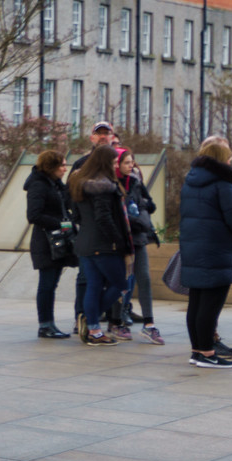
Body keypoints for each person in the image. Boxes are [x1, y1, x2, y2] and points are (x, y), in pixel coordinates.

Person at [178, 136, 232, 368]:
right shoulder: (223, 185)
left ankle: (197, 351)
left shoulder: (190, 182)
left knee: (197, 304)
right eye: (229, 156)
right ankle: (208, 353)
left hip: (194, 250)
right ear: (222, 160)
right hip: (217, 252)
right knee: (210, 307)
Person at [68, 145, 130, 346]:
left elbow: (76, 216)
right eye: (113, 163)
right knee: (122, 284)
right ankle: (88, 318)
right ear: (105, 163)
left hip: (85, 242)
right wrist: (118, 242)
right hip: (103, 245)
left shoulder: (80, 183)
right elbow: (104, 218)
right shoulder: (103, 187)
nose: (116, 166)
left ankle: (94, 330)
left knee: (94, 285)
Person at [68, 121, 118, 337]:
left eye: (106, 134)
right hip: (95, 235)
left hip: (97, 235)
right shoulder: (82, 166)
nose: (103, 137)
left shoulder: (117, 164)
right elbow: (71, 198)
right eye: (99, 134)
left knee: (102, 281)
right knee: (91, 280)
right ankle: (87, 317)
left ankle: (103, 319)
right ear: (92, 137)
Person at [23, 150, 72, 340]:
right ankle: (45, 325)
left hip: (57, 240)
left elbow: (68, 203)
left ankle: (49, 324)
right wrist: (61, 224)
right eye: (61, 165)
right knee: (47, 283)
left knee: (51, 284)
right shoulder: (38, 185)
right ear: (50, 167)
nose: (65, 169)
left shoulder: (57, 184)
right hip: (46, 241)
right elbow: (33, 215)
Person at [116, 149, 163, 344]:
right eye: (126, 162)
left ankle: (149, 323)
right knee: (119, 281)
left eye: (132, 162)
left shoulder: (135, 182)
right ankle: (117, 321)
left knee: (143, 277)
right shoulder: (111, 185)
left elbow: (150, 205)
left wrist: (139, 207)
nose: (131, 166)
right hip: (120, 238)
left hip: (138, 237)